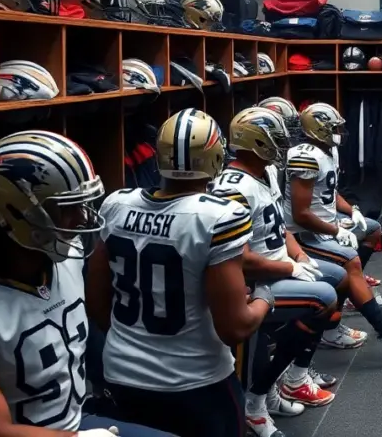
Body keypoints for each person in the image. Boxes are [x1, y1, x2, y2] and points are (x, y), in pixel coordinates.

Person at [0, 130, 172, 437]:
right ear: (16, 212)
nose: (81, 219)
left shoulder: (69, 254)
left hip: (76, 421)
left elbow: (80, 331)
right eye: (66, 208)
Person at [86, 109, 274, 436]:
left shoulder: (116, 204)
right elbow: (235, 327)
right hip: (195, 380)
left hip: (121, 372)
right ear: (216, 157)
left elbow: (97, 303)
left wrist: (135, 342)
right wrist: (264, 299)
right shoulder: (219, 215)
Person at [208, 107, 341, 436]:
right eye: (276, 140)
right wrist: (289, 267)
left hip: (279, 266)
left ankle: (282, 378)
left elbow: (281, 228)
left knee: (335, 277)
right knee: (323, 297)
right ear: (256, 143)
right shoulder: (233, 186)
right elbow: (239, 258)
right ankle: (256, 398)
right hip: (254, 282)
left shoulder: (263, 172)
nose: (284, 147)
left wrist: (299, 256)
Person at [281, 102, 382, 365]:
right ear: (318, 130)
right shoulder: (304, 155)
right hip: (303, 234)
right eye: (333, 128)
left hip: (323, 223)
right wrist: (336, 229)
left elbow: (329, 193)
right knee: (349, 260)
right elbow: (300, 213)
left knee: (373, 229)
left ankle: (350, 296)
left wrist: (352, 212)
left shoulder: (327, 152)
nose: (339, 133)